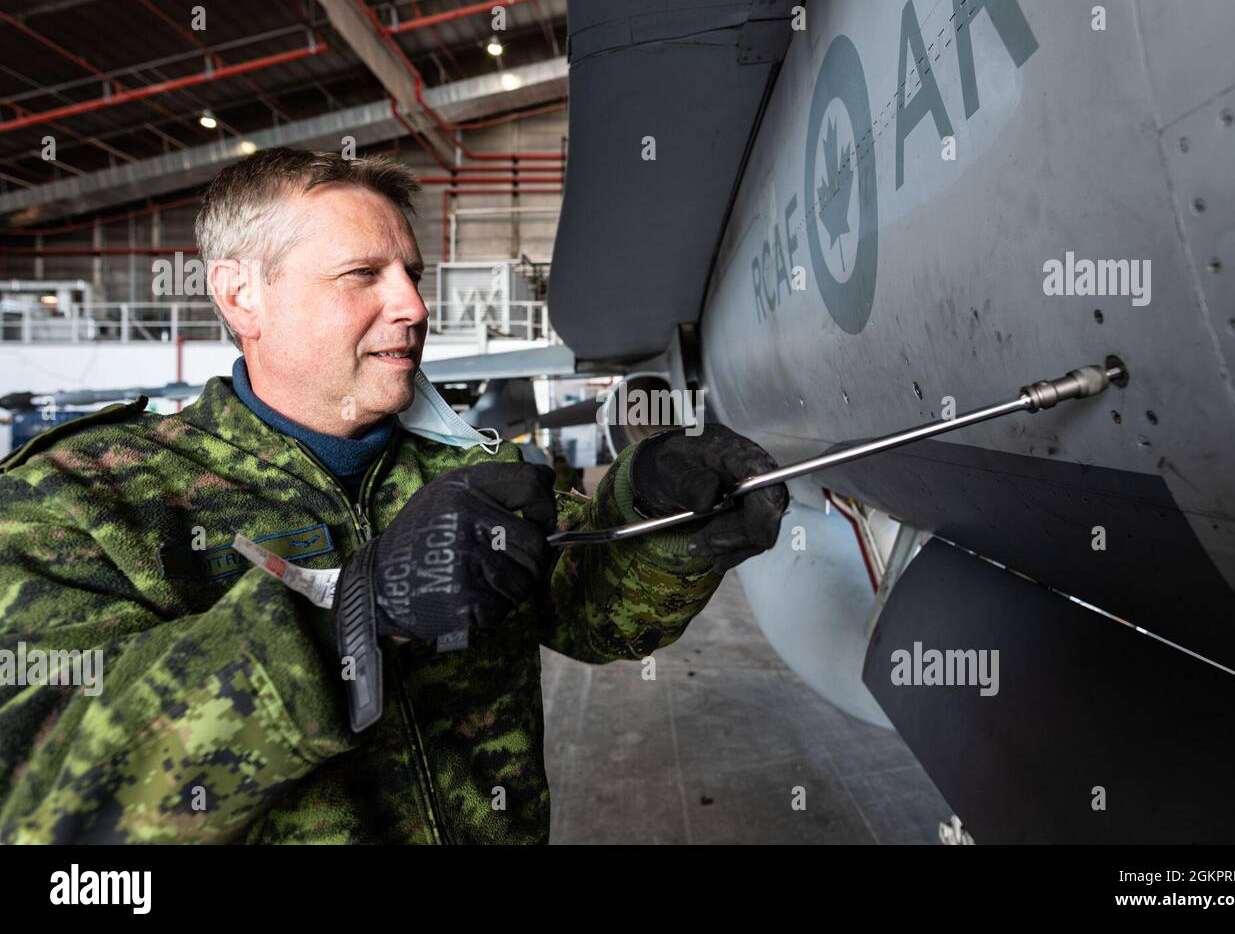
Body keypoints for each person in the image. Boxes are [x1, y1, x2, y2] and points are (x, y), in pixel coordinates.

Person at [0, 148, 788, 844]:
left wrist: (654, 511)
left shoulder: (465, 467)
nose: (414, 307)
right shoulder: (79, 499)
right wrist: (358, 614)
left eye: (412, 273)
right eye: (363, 275)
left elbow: (588, 613)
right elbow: (47, 806)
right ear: (241, 295)